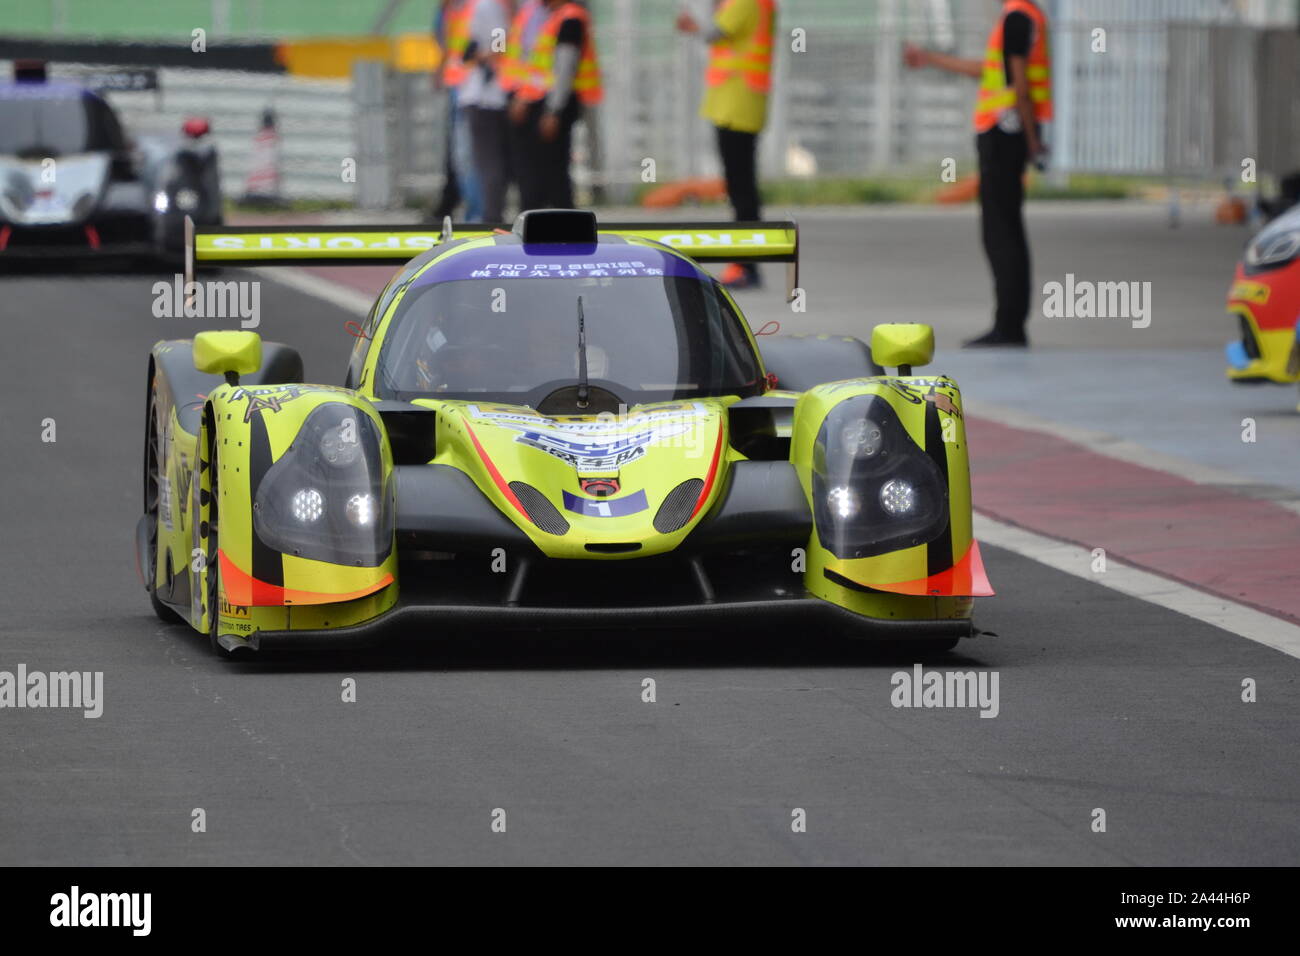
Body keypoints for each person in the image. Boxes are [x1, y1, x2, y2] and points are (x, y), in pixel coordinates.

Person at [904, 0, 1053, 347]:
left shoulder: (1017, 18)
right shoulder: (1021, 17)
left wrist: (1033, 140)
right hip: (1007, 135)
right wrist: (930, 58)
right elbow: (989, 71)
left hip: (1005, 135)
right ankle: (1009, 323)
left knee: (1002, 233)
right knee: (1002, 230)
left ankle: (1009, 326)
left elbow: (1018, 84)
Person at [677, 0, 777, 290]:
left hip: (738, 102)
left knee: (741, 189)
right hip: (735, 102)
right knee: (740, 187)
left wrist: (693, 24)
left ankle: (746, 264)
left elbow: (714, 32)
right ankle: (745, 262)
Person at [506, 0, 603, 210]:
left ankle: (559, 223)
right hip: (543, 101)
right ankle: (540, 219)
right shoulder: (551, 16)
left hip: (555, 105)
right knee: (539, 170)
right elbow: (539, 66)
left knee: (553, 171)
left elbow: (564, 67)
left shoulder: (569, 19)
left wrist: (553, 112)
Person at [457, 0, 515, 222]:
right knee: (491, 163)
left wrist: (479, 57)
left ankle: (490, 218)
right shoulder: (492, 6)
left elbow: (497, 47)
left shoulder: (488, 6)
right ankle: (491, 216)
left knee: (488, 163)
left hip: (488, 95)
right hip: (488, 93)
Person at [432, 0, 484, 221]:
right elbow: (446, 43)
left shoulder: (474, 7)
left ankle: (476, 216)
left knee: (468, 156)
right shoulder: (450, 10)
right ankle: (464, 209)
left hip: (473, 89)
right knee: (459, 156)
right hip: (459, 87)